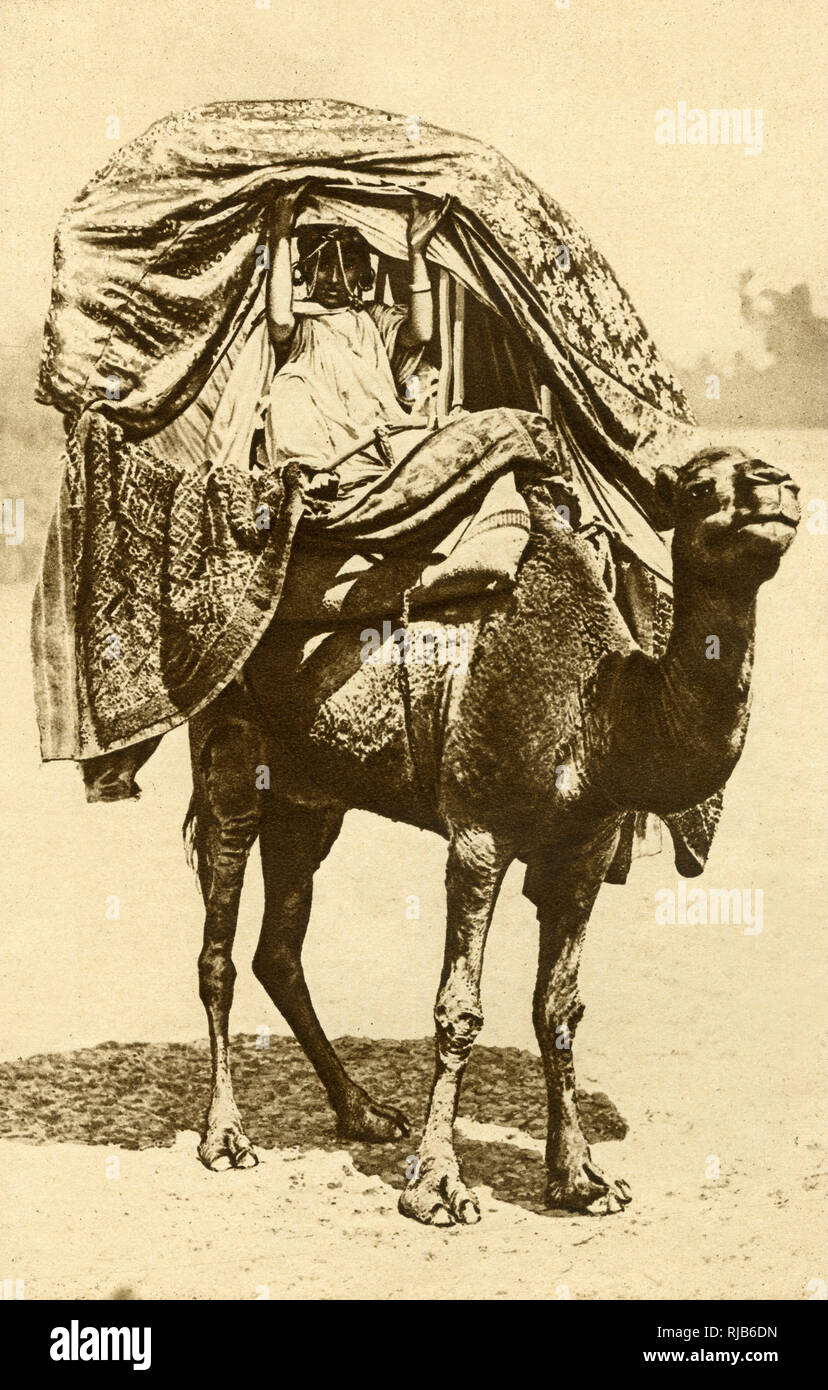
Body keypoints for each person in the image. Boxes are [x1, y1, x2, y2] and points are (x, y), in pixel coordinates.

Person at [263, 184, 451, 500]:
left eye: (347, 266)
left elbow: (421, 332)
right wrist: (281, 233)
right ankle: (308, 475)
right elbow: (280, 320)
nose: (334, 279)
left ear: (363, 273)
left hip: (375, 439)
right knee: (290, 386)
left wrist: (416, 253)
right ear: (304, 270)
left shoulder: (372, 317)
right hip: (320, 451)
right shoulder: (300, 323)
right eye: (323, 266)